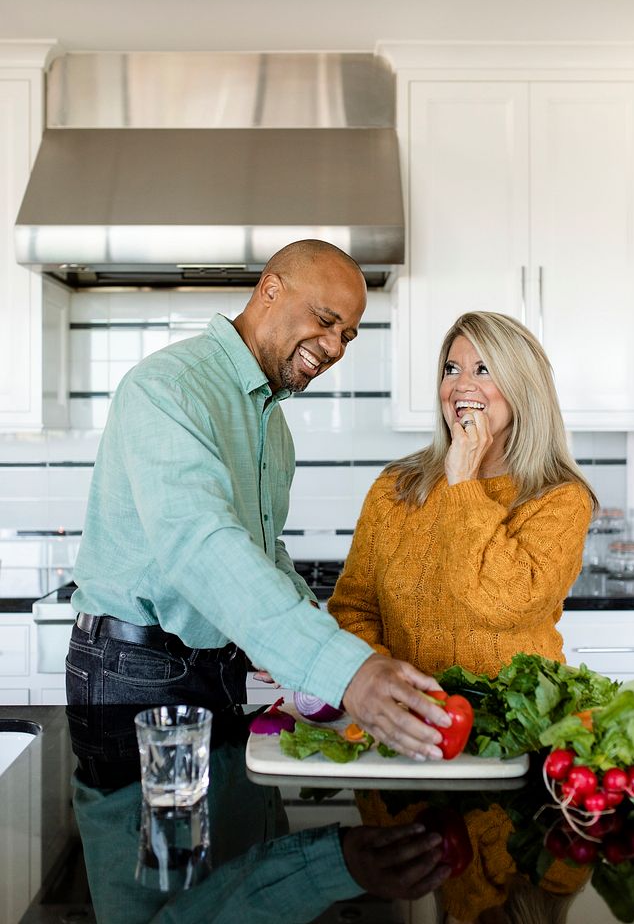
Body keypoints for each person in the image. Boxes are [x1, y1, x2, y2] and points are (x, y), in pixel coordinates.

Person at [67, 239, 449, 760]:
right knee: (159, 838)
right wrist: (341, 669)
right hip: (135, 672)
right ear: (270, 289)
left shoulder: (272, 422)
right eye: (325, 319)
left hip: (214, 666)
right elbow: (202, 546)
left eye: (348, 335)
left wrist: (296, 627)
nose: (335, 347)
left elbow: (262, 548)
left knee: (228, 833)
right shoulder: (168, 389)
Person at [328, 310, 598, 678]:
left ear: (523, 388)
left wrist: (464, 483)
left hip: (519, 722)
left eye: (483, 370)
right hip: (411, 716)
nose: (461, 386)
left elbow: (506, 603)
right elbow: (354, 610)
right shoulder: (397, 487)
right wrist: (394, 683)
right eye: (452, 369)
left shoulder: (561, 498)